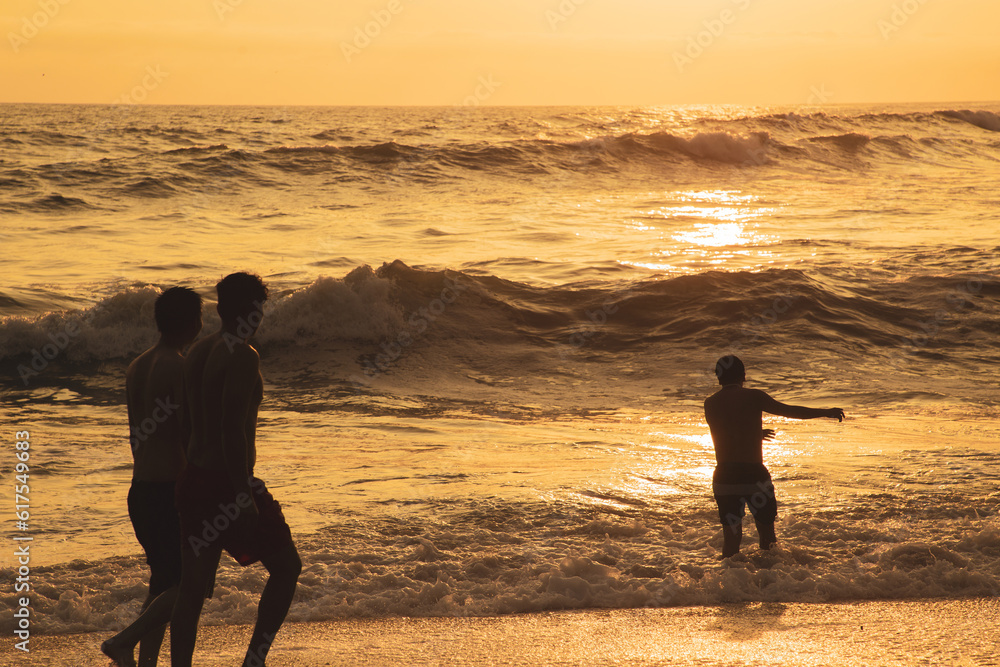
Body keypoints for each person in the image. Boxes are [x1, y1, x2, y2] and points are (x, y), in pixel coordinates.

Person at [170, 272, 301, 667]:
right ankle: (254, 660)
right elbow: (232, 431)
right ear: (252, 310)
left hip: (194, 477)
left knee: (191, 591)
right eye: (259, 306)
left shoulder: (196, 352)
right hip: (228, 484)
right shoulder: (243, 355)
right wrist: (243, 497)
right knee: (287, 567)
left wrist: (188, 475)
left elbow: (185, 424)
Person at [102, 287, 203, 667]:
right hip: (169, 491)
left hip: (140, 490)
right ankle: (122, 641)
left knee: (162, 583)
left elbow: (136, 433)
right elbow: (187, 434)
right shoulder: (179, 365)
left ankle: (144, 663)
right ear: (195, 322)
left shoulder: (137, 365)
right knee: (190, 586)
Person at [704, 355, 844, 558]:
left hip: (725, 478)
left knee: (731, 546)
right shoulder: (754, 396)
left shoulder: (710, 403)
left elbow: (725, 432)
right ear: (744, 376)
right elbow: (789, 411)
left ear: (718, 377)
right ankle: (769, 585)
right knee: (768, 541)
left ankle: (726, 586)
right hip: (754, 477)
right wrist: (825, 412)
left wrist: (754, 433)